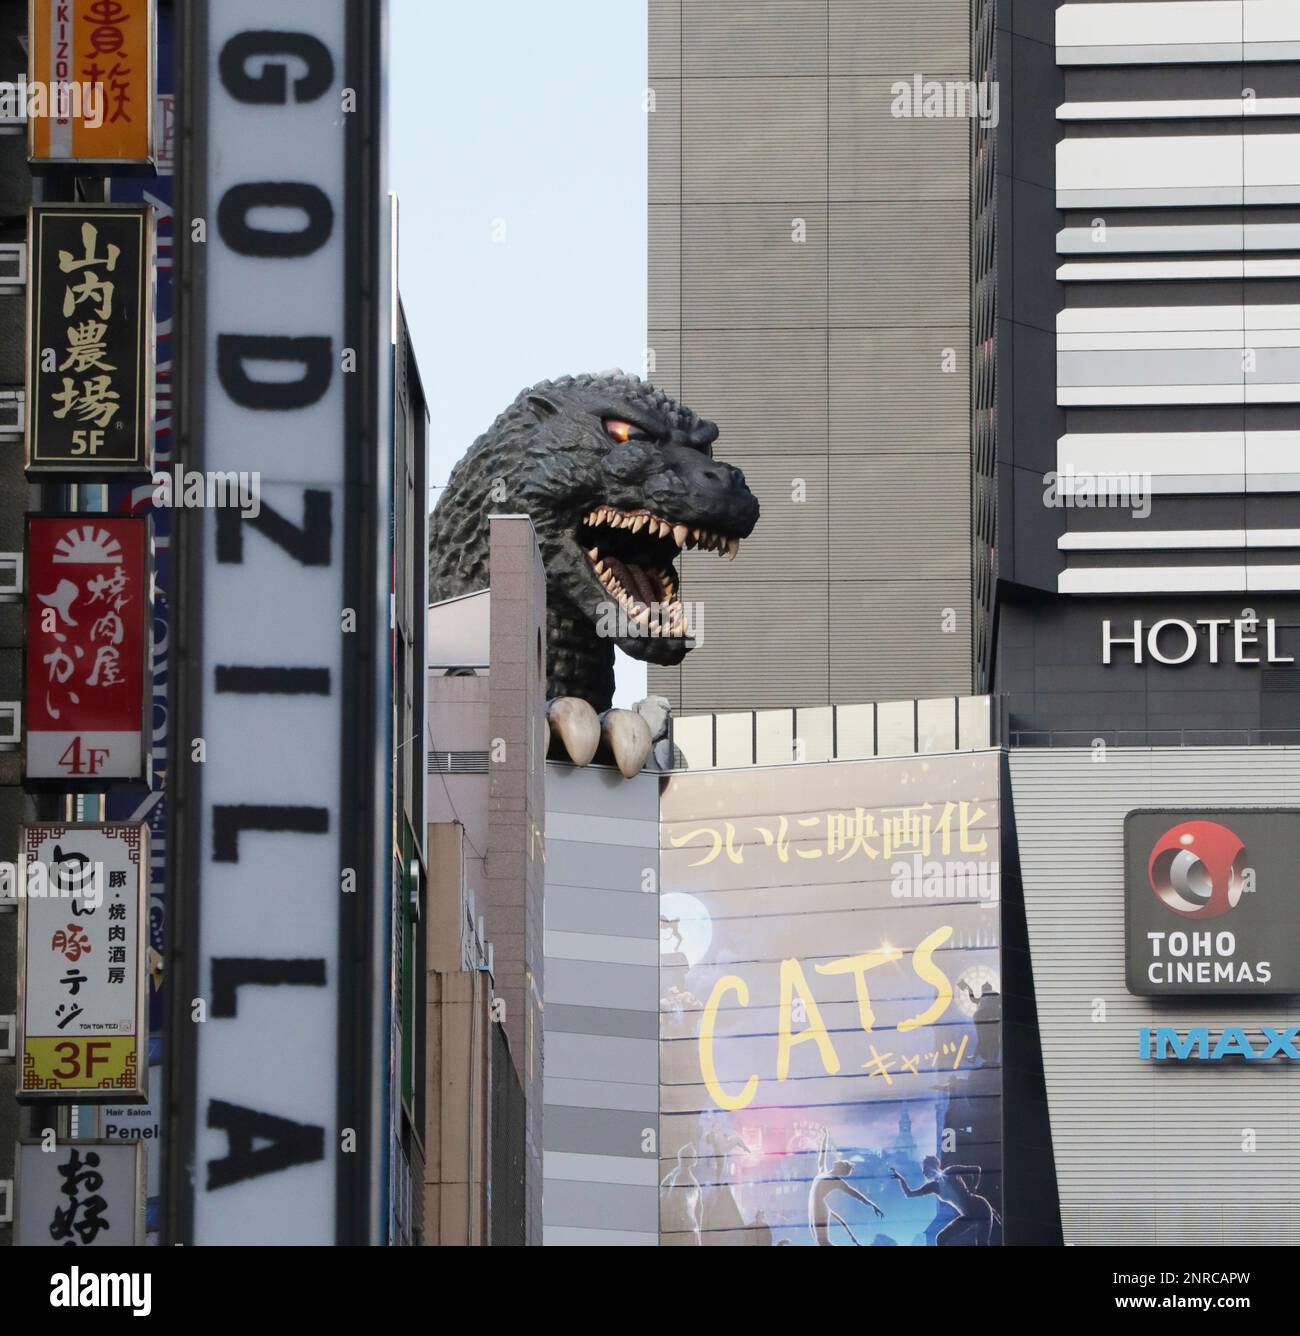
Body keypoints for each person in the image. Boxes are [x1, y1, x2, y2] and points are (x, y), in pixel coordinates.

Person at [891, 1156, 999, 1245]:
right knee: (941, 1239)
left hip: (982, 1208)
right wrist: (900, 1178)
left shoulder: (950, 1171)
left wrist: (973, 1188)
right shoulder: (933, 1187)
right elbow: (909, 1194)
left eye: (925, 1168)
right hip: (967, 1215)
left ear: (932, 1167)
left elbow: (976, 1169)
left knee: (982, 1243)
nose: (923, 1172)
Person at [808, 1129, 883, 1246]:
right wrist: (825, 1138)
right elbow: (822, 1155)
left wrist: (873, 1205)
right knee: (819, 1242)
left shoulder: (836, 1182)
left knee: (823, 1242)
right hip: (814, 1208)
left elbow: (856, 1194)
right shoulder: (823, 1171)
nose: (840, 1160)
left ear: (841, 1169)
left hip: (820, 1209)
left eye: (843, 1162)